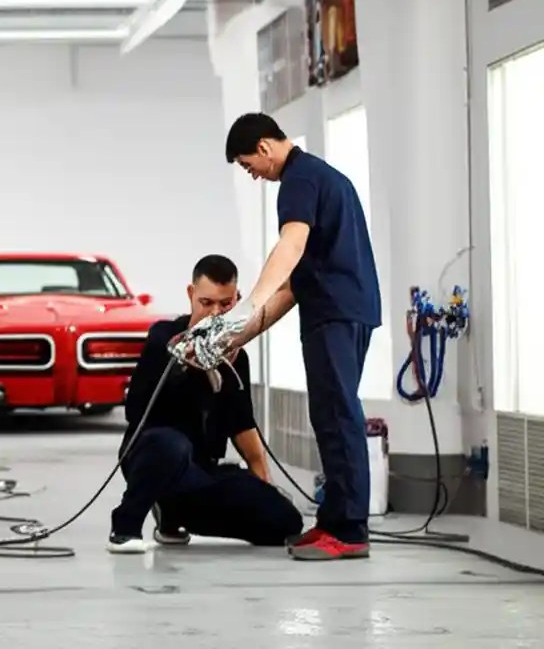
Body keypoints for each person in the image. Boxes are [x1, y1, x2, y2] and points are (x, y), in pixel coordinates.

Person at [217, 112, 382, 561]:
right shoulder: (319, 177)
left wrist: (249, 301)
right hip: (339, 310)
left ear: (266, 147)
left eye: (249, 165)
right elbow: (292, 287)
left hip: (336, 313)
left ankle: (348, 531)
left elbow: (288, 249)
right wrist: (239, 335)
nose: (253, 174)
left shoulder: (298, 181)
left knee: (338, 416)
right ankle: (333, 519)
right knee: (329, 417)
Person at [107, 255, 304, 554]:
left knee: (285, 521)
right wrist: (183, 367)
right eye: (206, 302)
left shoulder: (238, 359)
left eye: (225, 305)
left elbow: (243, 426)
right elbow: (135, 411)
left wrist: (265, 485)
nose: (214, 313)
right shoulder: (163, 337)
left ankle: (172, 515)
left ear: (237, 300)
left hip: (198, 475)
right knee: (170, 446)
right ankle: (125, 525)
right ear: (190, 295)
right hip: (152, 457)